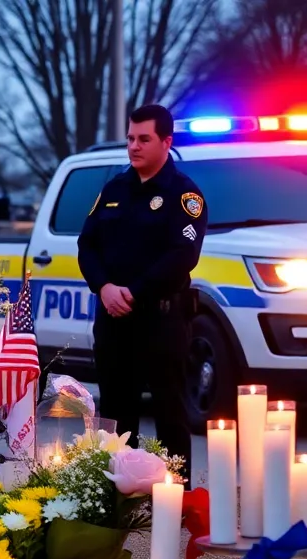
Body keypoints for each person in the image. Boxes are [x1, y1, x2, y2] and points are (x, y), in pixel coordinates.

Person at [78, 103, 207, 482]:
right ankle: (118, 498)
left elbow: (182, 256)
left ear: (166, 141)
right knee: (116, 418)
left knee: (170, 414)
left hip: (160, 321)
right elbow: (88, 245)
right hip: (114, 321)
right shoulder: (114, 189)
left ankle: (175, 497)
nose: (134, 146)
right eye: (130, 138)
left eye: (144, 139)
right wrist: (103, 287)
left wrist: (133, 292)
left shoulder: (185, 195)